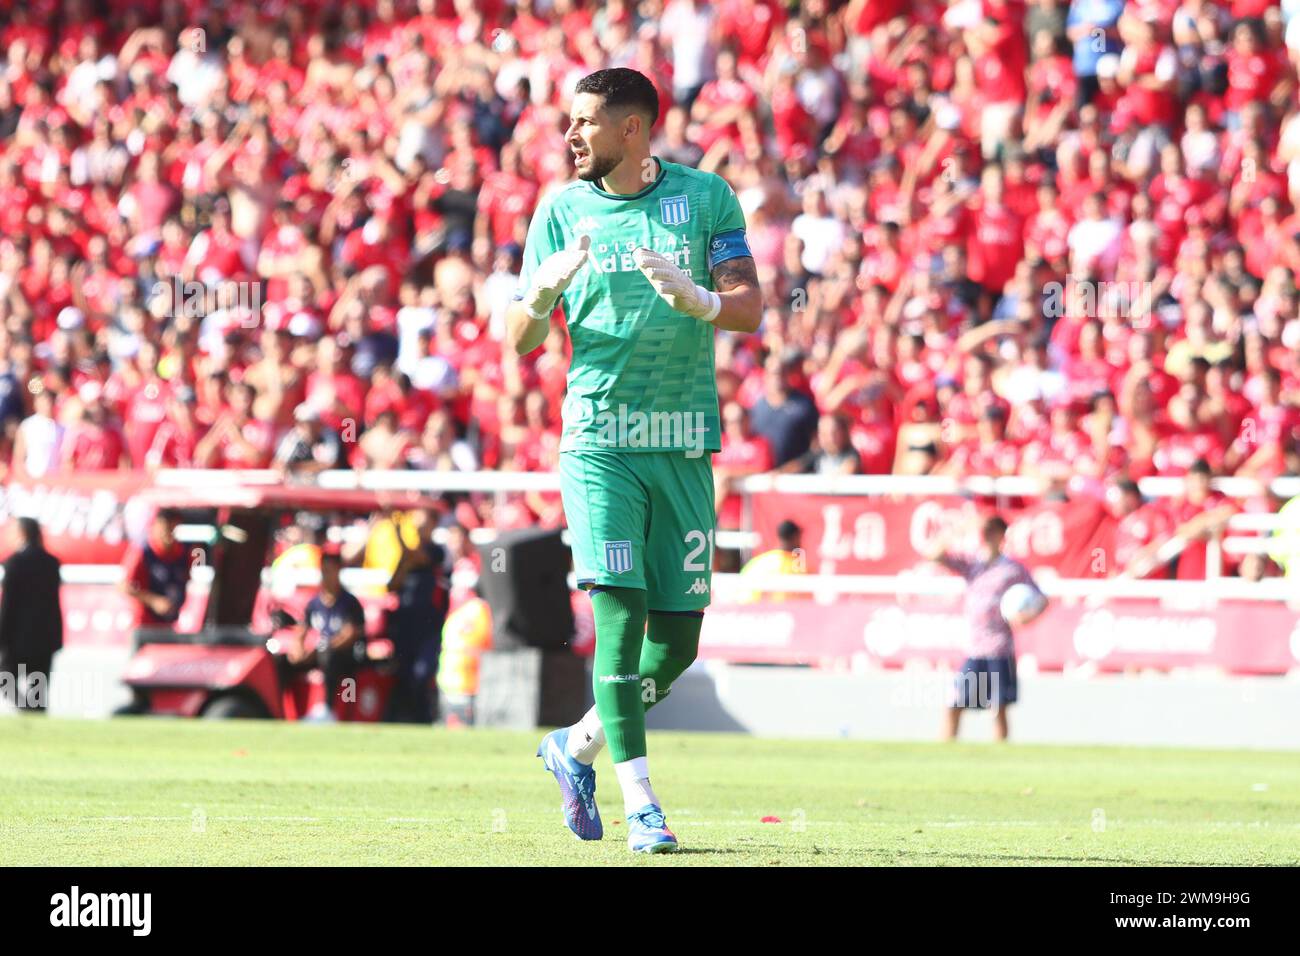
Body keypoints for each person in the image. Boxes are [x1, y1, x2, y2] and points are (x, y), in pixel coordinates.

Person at [506, 68, 762, 852]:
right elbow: (518, 342)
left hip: (684, 442)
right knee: (618, 617)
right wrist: (540, 295)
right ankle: (642, 803)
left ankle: (575, 746)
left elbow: (750, 307)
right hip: (600, 442)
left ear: (633, 128)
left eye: (586, 122)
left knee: (677, 641)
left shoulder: (706, 198)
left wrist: (705, 303)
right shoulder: (559, 211)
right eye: (569, 122)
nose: (571, 136)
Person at [926, 514, 1047, 742]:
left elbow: (1041, 599)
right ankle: (943, 753)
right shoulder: (973, 564)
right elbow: (934, 554)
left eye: (992, 531)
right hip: (975, 648)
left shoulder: (1013, 569)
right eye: (985, 531)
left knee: (998, 708)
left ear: (1002, 535)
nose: (987, 536)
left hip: (999, 648)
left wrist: (1026, 618)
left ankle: (1000, 759)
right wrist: (958, 529)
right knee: (955, 703)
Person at [284, 548, 367, 722]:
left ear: (338, 571)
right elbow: (302, 630)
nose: (326, 575)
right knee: (283, 661)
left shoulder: (349, 603)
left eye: (330, 570)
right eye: (323, 570)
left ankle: (330, 710)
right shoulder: (314, 603)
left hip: (346, 657)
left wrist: (321, 648)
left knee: (330, 658)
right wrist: (298, 649)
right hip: (321, 652)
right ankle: (282, 711)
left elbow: (349, 636)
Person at [384, 509, 448, 724]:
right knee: (404, 673)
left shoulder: (437, 551)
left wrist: (398, 534)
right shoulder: (408, 555)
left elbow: (419, 557)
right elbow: (392, 585)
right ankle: (406, 718)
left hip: (428, 625)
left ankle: (425, 718)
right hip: (405, 624)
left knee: (423, 673)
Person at [0, 518, 63, 712]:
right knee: (38, 694)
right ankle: (32, 712)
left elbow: (8, 604)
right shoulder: (51, 563)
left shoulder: (14, 563)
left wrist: (2, 636)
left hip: (18, 637)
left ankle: (25, 707)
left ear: (22, 533)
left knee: (4, 678)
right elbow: (54, 604)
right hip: (45, 636)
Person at [120, 508, 190, 630]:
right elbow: (123, 586)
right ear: (156, 527)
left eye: (174, 530)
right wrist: (154, 601)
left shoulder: (184, 552)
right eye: (167, 530)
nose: (170, 536)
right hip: (144, 625)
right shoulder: (142, 551)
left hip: (170, 624)